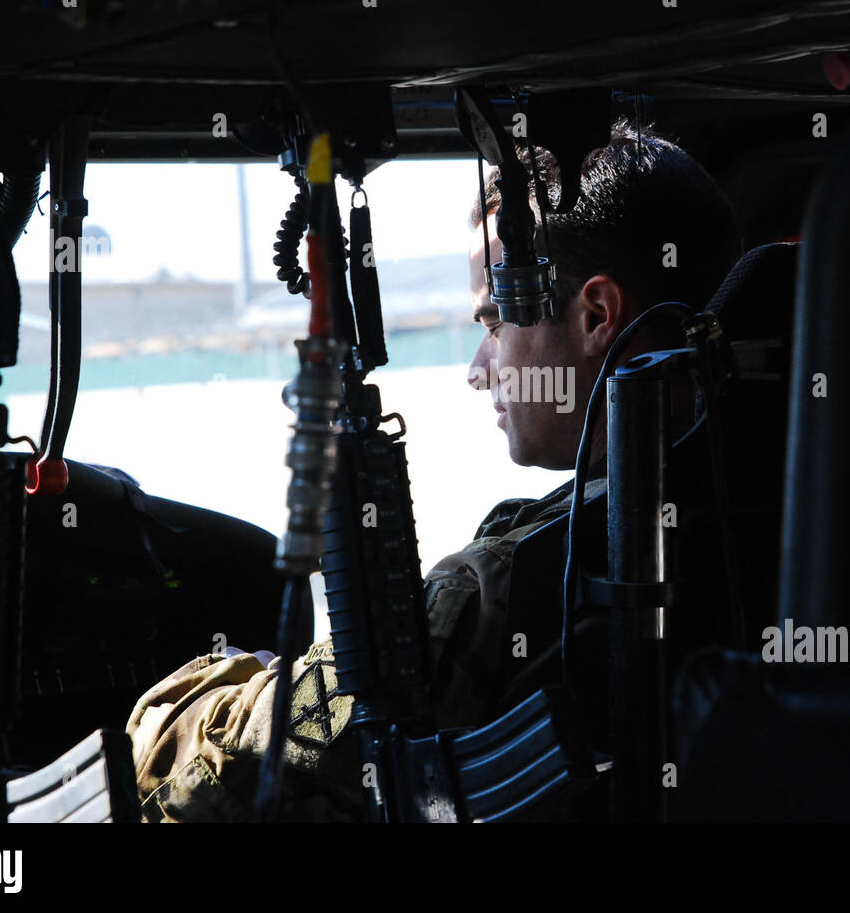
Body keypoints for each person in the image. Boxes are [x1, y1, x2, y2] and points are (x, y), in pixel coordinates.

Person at [124, 119, 741, 821]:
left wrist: (210, 688)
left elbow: (217, 770)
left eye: (491, 325)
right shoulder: (796, 497)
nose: (480, 371)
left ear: (597, 315)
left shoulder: (501, 586)